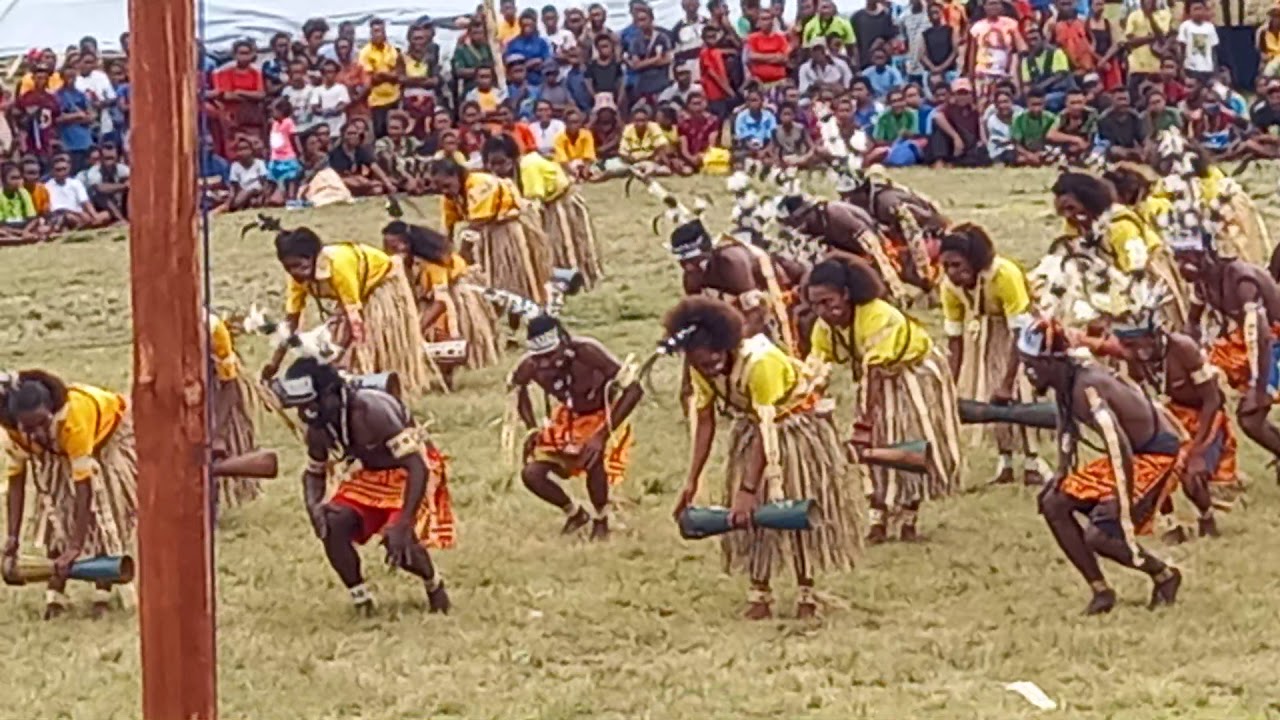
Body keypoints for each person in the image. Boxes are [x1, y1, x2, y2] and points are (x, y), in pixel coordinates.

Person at [668, 297, 861, 619]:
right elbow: (704, 421)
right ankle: (760, 593)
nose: (710, 367)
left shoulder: (760, 364)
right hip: (753, 431)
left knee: (793, 508)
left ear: (726, 345)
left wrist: (746, 490)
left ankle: (806, 593)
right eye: (701, 364)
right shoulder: (700, 369)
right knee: (749, 519)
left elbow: (766, 426)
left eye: (714, 358)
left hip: (791, 431)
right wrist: (692, 482)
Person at [1020, 319, 1184, 615]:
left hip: (1155, 455)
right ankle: (1101, 591)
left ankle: (1164, 574)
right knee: (1053, 502)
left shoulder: (1087, 388)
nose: (1028, 372)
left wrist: (1121, 498)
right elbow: (1066, 426)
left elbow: (1117, 442)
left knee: (1102, 533)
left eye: (1032, 364)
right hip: (1130, 455)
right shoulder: (1066, 381)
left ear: (1052, 361)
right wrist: (1062, 471)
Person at [274, 358, 452, 614]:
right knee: (332, 522)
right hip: (370, 475)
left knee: (397, 539)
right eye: (300, 407)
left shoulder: (371, 413)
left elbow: (417, 466)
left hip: (412, 472)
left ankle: (434, 585)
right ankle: (361, 600)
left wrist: (403, 523)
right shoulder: (319, 428)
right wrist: (314, 509)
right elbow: (313, 473)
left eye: (311, 404)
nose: (305, 413)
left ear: (331, 395)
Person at [805, 256, 962, 542]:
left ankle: (909, 517)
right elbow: (817, 366)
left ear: (846, 294)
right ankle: (877, 518)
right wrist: (807, 398)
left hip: (913, 375)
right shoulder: (824, 328)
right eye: (815, 305)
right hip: (874, 380)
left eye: (828, 302)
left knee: (909, 442)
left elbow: (874, 371)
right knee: (874, 449)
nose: (823, 311)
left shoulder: (877, 315)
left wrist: (863, 425)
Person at [2, 371, 137, 619]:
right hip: (58, 448)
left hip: (107, 437)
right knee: (54, 513)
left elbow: (84, 490)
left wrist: (74, 548)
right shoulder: (14, 433)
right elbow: (16, 483)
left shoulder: (74, 419)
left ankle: (103, 586)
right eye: (29, 427)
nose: (38, 432)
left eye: (43, 423)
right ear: (17, 422)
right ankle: (56, 589)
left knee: (100, 513)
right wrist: (12, 538)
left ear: (52, 411)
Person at [259, 225, 436, 394]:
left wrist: (337, 359)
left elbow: (355, 320)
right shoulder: (296, 279)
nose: (297, 273)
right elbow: (291, 322)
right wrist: (274, 364)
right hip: (351, 295)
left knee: (367, 344)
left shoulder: (339, 267)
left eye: (302, 266)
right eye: (289, 268)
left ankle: (385, 385)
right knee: (336, 343)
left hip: (380, 284)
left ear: (315, 258)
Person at [512, 314, 644, 539]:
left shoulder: (588, 352)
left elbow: (634, 389)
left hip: (604, 416)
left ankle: (602, 519)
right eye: (539, 357)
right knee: (531, 474)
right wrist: (532, 429)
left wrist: (602, 435)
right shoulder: (531, 365)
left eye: (550, 355)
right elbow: (516, 388)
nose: (545, 363)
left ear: (564, 343)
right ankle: (575, 513)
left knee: (592, 458)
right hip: (567, 419)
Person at [938, 225, 1044, 485]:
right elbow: (955, 340)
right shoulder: (949, 287)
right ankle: (1005, 462)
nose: (952, 273)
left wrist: (1008, 382)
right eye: (946, 266)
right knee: (988, 392)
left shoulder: (1003, 275)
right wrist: (949, 384)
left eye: (957, 265)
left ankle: (1033, 463)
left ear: (975, 262)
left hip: (1026, 334)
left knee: (1021, 392)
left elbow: (1021, 332)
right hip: (987, 334)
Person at [1111, 314, 1232, 541]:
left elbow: (1212, 400)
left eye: (1137, 344)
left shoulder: (1183, 348)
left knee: (1191, 475)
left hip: (1204, 417)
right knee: (1155, 464)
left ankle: (1207, 517)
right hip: (1168, 418)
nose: (1134, 352)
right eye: (1128, 346)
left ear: (1155, 335)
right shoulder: (1133, 359)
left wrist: (1196, 451)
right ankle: (1171, 524)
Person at [1176, 235, 1280, 481]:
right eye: (1177, 258)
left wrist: (1259, 386)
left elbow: (1261, 337)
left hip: (1271, 342)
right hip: (1249, 342)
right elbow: (1192, 322)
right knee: (1204, 388)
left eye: (1187, 256)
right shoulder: (1202, 282)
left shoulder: (1243, 282)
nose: (1182, 266)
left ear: (1208, 253)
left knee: (1251, 417)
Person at [669, 217, 807, 354]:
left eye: (692, 260)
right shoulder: (691, 277)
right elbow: (698, 320)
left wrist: (732, 349)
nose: (688, 267)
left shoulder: (731, 262)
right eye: (682, 262)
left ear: (707, 251)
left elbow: (757, 315)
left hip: (788, 299)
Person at [382, 219, 500, 379]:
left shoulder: (433, 264)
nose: (389, 251)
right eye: (387, 246)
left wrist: (417, 328)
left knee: (440, 329)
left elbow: (442, 302)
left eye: (393, 247)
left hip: (452, 295)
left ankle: (447, 373)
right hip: (428, 296)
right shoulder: (404, 262)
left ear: (407, 244)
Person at [486, 135, 603, 288]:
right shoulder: (507, 175)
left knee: (565, 245)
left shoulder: (529, 167)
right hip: (548, 205)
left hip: (562, 204)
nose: (497, 169)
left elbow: (533, 205)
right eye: (492, 164)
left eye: (501, 162)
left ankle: (575, 280)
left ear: (513, 158)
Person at [431, 158, 552, 305]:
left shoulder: (481, 184)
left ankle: (528, 303)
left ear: (457, 176)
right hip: (488, 231)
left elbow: (477, 223)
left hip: (508, 229)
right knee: (491, 279)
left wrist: (463, 257)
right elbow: (447, 228)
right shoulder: (450, 195)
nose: (444, 192)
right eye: (439, 188)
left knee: (515, 276)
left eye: (446, 185)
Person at [208, 312, 269, 508]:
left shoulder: (212, 328)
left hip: (210, 386)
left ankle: (210, 503)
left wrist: (217, 431)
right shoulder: (159, 324)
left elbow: (229, 384)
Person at [210, 40, 268, 157]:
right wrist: (251, 96)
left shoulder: (256, 72)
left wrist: (240, 91)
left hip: (251, 117)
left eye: (247, 53)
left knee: (255, 147)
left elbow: (261, 95)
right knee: (234, 149)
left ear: (252, 55)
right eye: (241, 53)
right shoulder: (226, 72)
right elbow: (227, 95)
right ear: (234, 54)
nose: (244, 57)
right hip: (232, 117)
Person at [966, 0, 1025, 98]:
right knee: (983, 102)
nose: (994, 7)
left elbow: (1019, 47)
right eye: (991, 3)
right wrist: (971, 78)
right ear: (984, 7)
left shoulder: (1011, 24)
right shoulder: (977, 27)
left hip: (1003, 74)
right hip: (983, 72)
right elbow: (972, 53)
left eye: (997, 3)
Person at [623, 4, 675, 108]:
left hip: (662, 83)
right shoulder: (635, 41)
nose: (641, 23)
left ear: (651, 19)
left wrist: (645, 63)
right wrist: (656, 58)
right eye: (638, 20)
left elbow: (668, 59)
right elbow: (636, 65)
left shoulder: (662, 37)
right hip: (643, 86)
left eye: (644, 19)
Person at [929, 78, 989, 167]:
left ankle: (955, 163)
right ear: (953, 95)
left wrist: (980, 116)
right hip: (953, 145)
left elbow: (983, 139)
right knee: (939, 130)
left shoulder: (975, 111)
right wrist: (956, 137)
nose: (962, 97)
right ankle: (940, 161)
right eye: (959, 94)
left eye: (965, 94)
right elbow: (937, 117)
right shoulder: (949, 108)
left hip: (968, 145)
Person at [329, 123, 396, 197]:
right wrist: (367, 183)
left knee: (377, 189)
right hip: (343, 183)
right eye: (350, 133)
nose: (353, 136)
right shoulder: (336, 153)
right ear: (343, 136)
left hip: (362, 182)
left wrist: (388, 183)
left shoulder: (361, 150)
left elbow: (374, 166)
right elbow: (342, 176)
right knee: (357, 180)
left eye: (355, 133)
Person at [44, 153, 108, 230]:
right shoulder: (47, 186)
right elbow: (50, 209)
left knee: (105, 215)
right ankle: (85, 226)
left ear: (68, 169)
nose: (62, 172)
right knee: (68, 217)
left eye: (64, 169)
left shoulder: (76, 183)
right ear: (53, 171)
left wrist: (95, 216)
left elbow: (85, 202)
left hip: (78, 214)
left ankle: (85, 225)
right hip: (60, 215)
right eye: (58, 170)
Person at [1018, 24, 1073, 113]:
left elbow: (1060, 75)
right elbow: (1027, 83)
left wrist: (1039, 88)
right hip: (1038, 95)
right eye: (1029, 40)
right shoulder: (1026, 60)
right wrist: (1027, 94)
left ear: (1043, 40)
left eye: (1035, 39)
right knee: (1018, 102)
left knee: (1045, 101)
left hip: (1060, 91)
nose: (1032, 43)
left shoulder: (1056, 52)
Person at [401, 21, 442, 138]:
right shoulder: (403, 57)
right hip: (409, 100)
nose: (418, 42)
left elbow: (435, 81)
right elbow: (400, 79)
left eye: (421, 38)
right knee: (409, 130)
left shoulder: (431, 58)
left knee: (427, 131)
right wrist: (422, 80)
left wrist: (412, 80)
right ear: (410, 40)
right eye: (415, 38)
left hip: (428, 100)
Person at [1125, 0, 1173, 99]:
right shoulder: (1134, 15)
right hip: (1136, 68)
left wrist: (1150, 17)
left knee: (1156, 100)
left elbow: (1161, 37)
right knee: (1136, 100)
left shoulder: (1164, 15)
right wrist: (1149, 38)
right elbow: (1130, 42)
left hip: (1156, 70)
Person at [55, 67, 96, 173]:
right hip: (68, 143)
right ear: (62, 77)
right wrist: (77, 115)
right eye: (68, 77)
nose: (71, 79)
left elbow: (91, 117)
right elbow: (58, 119)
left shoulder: (81, 95)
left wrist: (72, 118)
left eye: (73, 76)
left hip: (85, 141)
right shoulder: (57, 96)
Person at [1045, 89, 1098, 162]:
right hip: (1068, 144)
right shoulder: (1062, 115)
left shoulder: (1092, 113)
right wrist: (1075, 139)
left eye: (1079, 102)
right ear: (1066, 104)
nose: (1076, 107)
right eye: (1072, 103)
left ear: (1085, 102)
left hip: (1087, 144)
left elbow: (1092, 138)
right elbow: (1050, 134)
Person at [0, 162, 47, 244]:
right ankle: (18, 237)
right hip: (6, 226)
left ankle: (14, 238)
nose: (17, 181)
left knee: (43, 228)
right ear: (4, 181)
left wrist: (26, 230)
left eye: (18, 178)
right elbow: (1, 224)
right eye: (13, 178)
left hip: (23, 225)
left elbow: (33, 218)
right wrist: (21, 233)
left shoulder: (23, 192)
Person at [83, 141, 130, 223]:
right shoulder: (94, 171)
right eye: (106, 158)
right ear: (101, 158)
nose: (109, 161)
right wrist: (124, 186)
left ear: (117, 157)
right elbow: (100, 188)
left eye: (111, 158)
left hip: (118, 204)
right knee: (99, 194)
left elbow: (132, 183)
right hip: (98, 207)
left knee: (131, 190)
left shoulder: (123, 169)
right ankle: (121, 220)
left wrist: (127, 185)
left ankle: (131, 218)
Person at [267, 98, 304, 203]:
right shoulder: (274, 124)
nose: (271, 113)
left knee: (291, 177)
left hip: (288, 156)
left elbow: (294, 138)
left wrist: (300, 152)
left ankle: (291, 197)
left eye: (273, 111)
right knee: (272, 178)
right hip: (275, 157)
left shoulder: (288, 122)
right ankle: (266, 197)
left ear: (281, 111)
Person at [1096, 86, 1146, 161]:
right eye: (1119, 99)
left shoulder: (1135, 117)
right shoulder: (1104, 119)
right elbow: (1107, 144)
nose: (1123, 103)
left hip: (1131, 151)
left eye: (1125, 99)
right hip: (1111, 153)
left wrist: (1145, 148)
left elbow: (1143, 139)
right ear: (1112, 100)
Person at [745, 7, 791, 89]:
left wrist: (760, 58)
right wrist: (775, 56)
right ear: (758, 22)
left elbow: (784, 59)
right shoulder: (753, 38)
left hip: (779, 82)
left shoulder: (780, 38)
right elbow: (751, 56)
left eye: (767, 19)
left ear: (772, 21)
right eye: (762, 19)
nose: (765, 22)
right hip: (759, 82)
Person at [508, 9, 555, 87]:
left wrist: (527, 64)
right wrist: (534, 62)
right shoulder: (513, 44)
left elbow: (548, 63)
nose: (527, 28)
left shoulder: (542, 43)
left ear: (534, 24)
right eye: (524, 25)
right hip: (520, 85)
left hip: (541, 83)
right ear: (520, 25)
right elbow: (513, 68)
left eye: (530, 25)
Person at [699, 25, 736, 119]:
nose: (712, 40)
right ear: (703, 39)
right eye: (709, 37)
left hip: (723, 94)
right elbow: (714, 75)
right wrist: (729, 90)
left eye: (713, 36)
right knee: (720, 120)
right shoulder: (705, 53)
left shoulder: (715, 51)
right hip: (714, 95)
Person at [1177, 0, 1218, 85]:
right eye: (1195, 9)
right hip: (1190, 68)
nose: (1198, 12)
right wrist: (1181, 70)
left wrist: (1215, 71)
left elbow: (1213, 50)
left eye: (1200, 9)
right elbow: (1181, 49)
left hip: (1207, 69)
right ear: (1190, 12)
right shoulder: (1185, 26)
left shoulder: (1210, 27)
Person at [452, 21, 497, 98]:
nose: (478, 36)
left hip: (489, 86)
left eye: (480, 33)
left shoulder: (487, 47)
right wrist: (478, 71)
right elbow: (458, 71)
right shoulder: (462, 50)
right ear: (469, 34)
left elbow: (493, 65)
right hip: (470, 87)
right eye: (475, 33)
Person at [586, 31, 628, 111]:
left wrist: (619, 98)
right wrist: (596, 97)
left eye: (606, 46)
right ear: (597, 48)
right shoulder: (592, 66)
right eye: (602, 47)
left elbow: (621, 82)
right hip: (598, 99)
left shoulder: (616, 65)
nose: (605, 49)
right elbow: (588, 83)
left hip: (614, 98)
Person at [553, 107, 599, 180]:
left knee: (595, 171)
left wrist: (585, 172)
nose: (573, 125)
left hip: (583, 163)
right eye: (570, 122)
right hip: (567, 165)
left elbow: (589, 155)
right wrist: (573, 173)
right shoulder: (559, 138)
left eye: (576, 122)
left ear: (580, 123)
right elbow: (563, 160)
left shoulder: (587, 134)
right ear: (565, 123)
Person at [920, 3, 961, 83]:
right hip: (932, 73)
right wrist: (933, 68)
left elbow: (955, 52)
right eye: (931, 13)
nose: (934, 15)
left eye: (936, 12)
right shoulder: (925, 33)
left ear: (941, 13)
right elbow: (922, 55)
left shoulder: (950, 30)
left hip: (950, 71)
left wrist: (942, 67)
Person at [851, 0, 897, 69]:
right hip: (865, 65)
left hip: (885, 66)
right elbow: (854, 45)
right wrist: (857, 67)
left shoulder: (886, 16)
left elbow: (892, 41)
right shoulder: (857, 17)